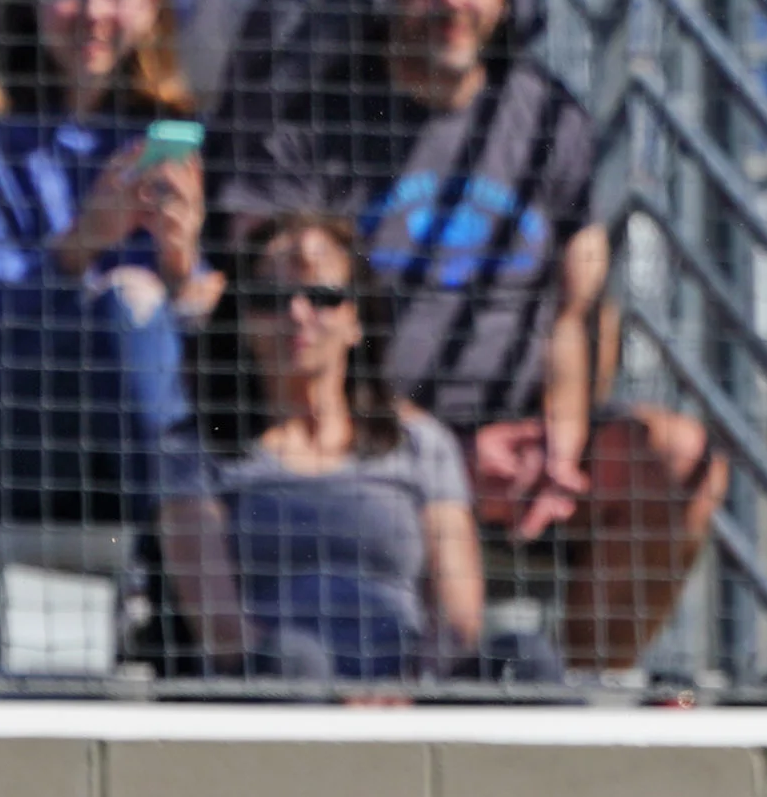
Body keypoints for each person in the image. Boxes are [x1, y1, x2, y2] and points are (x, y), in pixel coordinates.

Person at [213, 0, 727, 673]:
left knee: (678, 459)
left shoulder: (549, 119)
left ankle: (569, 692)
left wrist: (559, 447)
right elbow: (274, 309)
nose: (452, 1)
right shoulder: (318, 120)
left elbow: (579, 309)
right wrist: (437, 448)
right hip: (366, 434)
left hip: (516, 446)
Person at [164, 209, 554, 680]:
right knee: (294, 660)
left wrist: (408, 691)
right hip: (277, 685)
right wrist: (330, 694)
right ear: (243, 321)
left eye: (323, 297)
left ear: (357, 320)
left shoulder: (421, 444)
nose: (297, 314)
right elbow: (220, 626)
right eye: (270, 298)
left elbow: (457, 618)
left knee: (527, 658)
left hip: (409, 686)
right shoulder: (197, 448)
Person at [0, 0, 215, 542]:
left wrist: (183, 270)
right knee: (126, 302)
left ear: (152, 4)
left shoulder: (164, 122)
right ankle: (184, 581)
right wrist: (80, 246)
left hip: (125, 443)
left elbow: (193, 323)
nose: (93, 13)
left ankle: (184, 574)